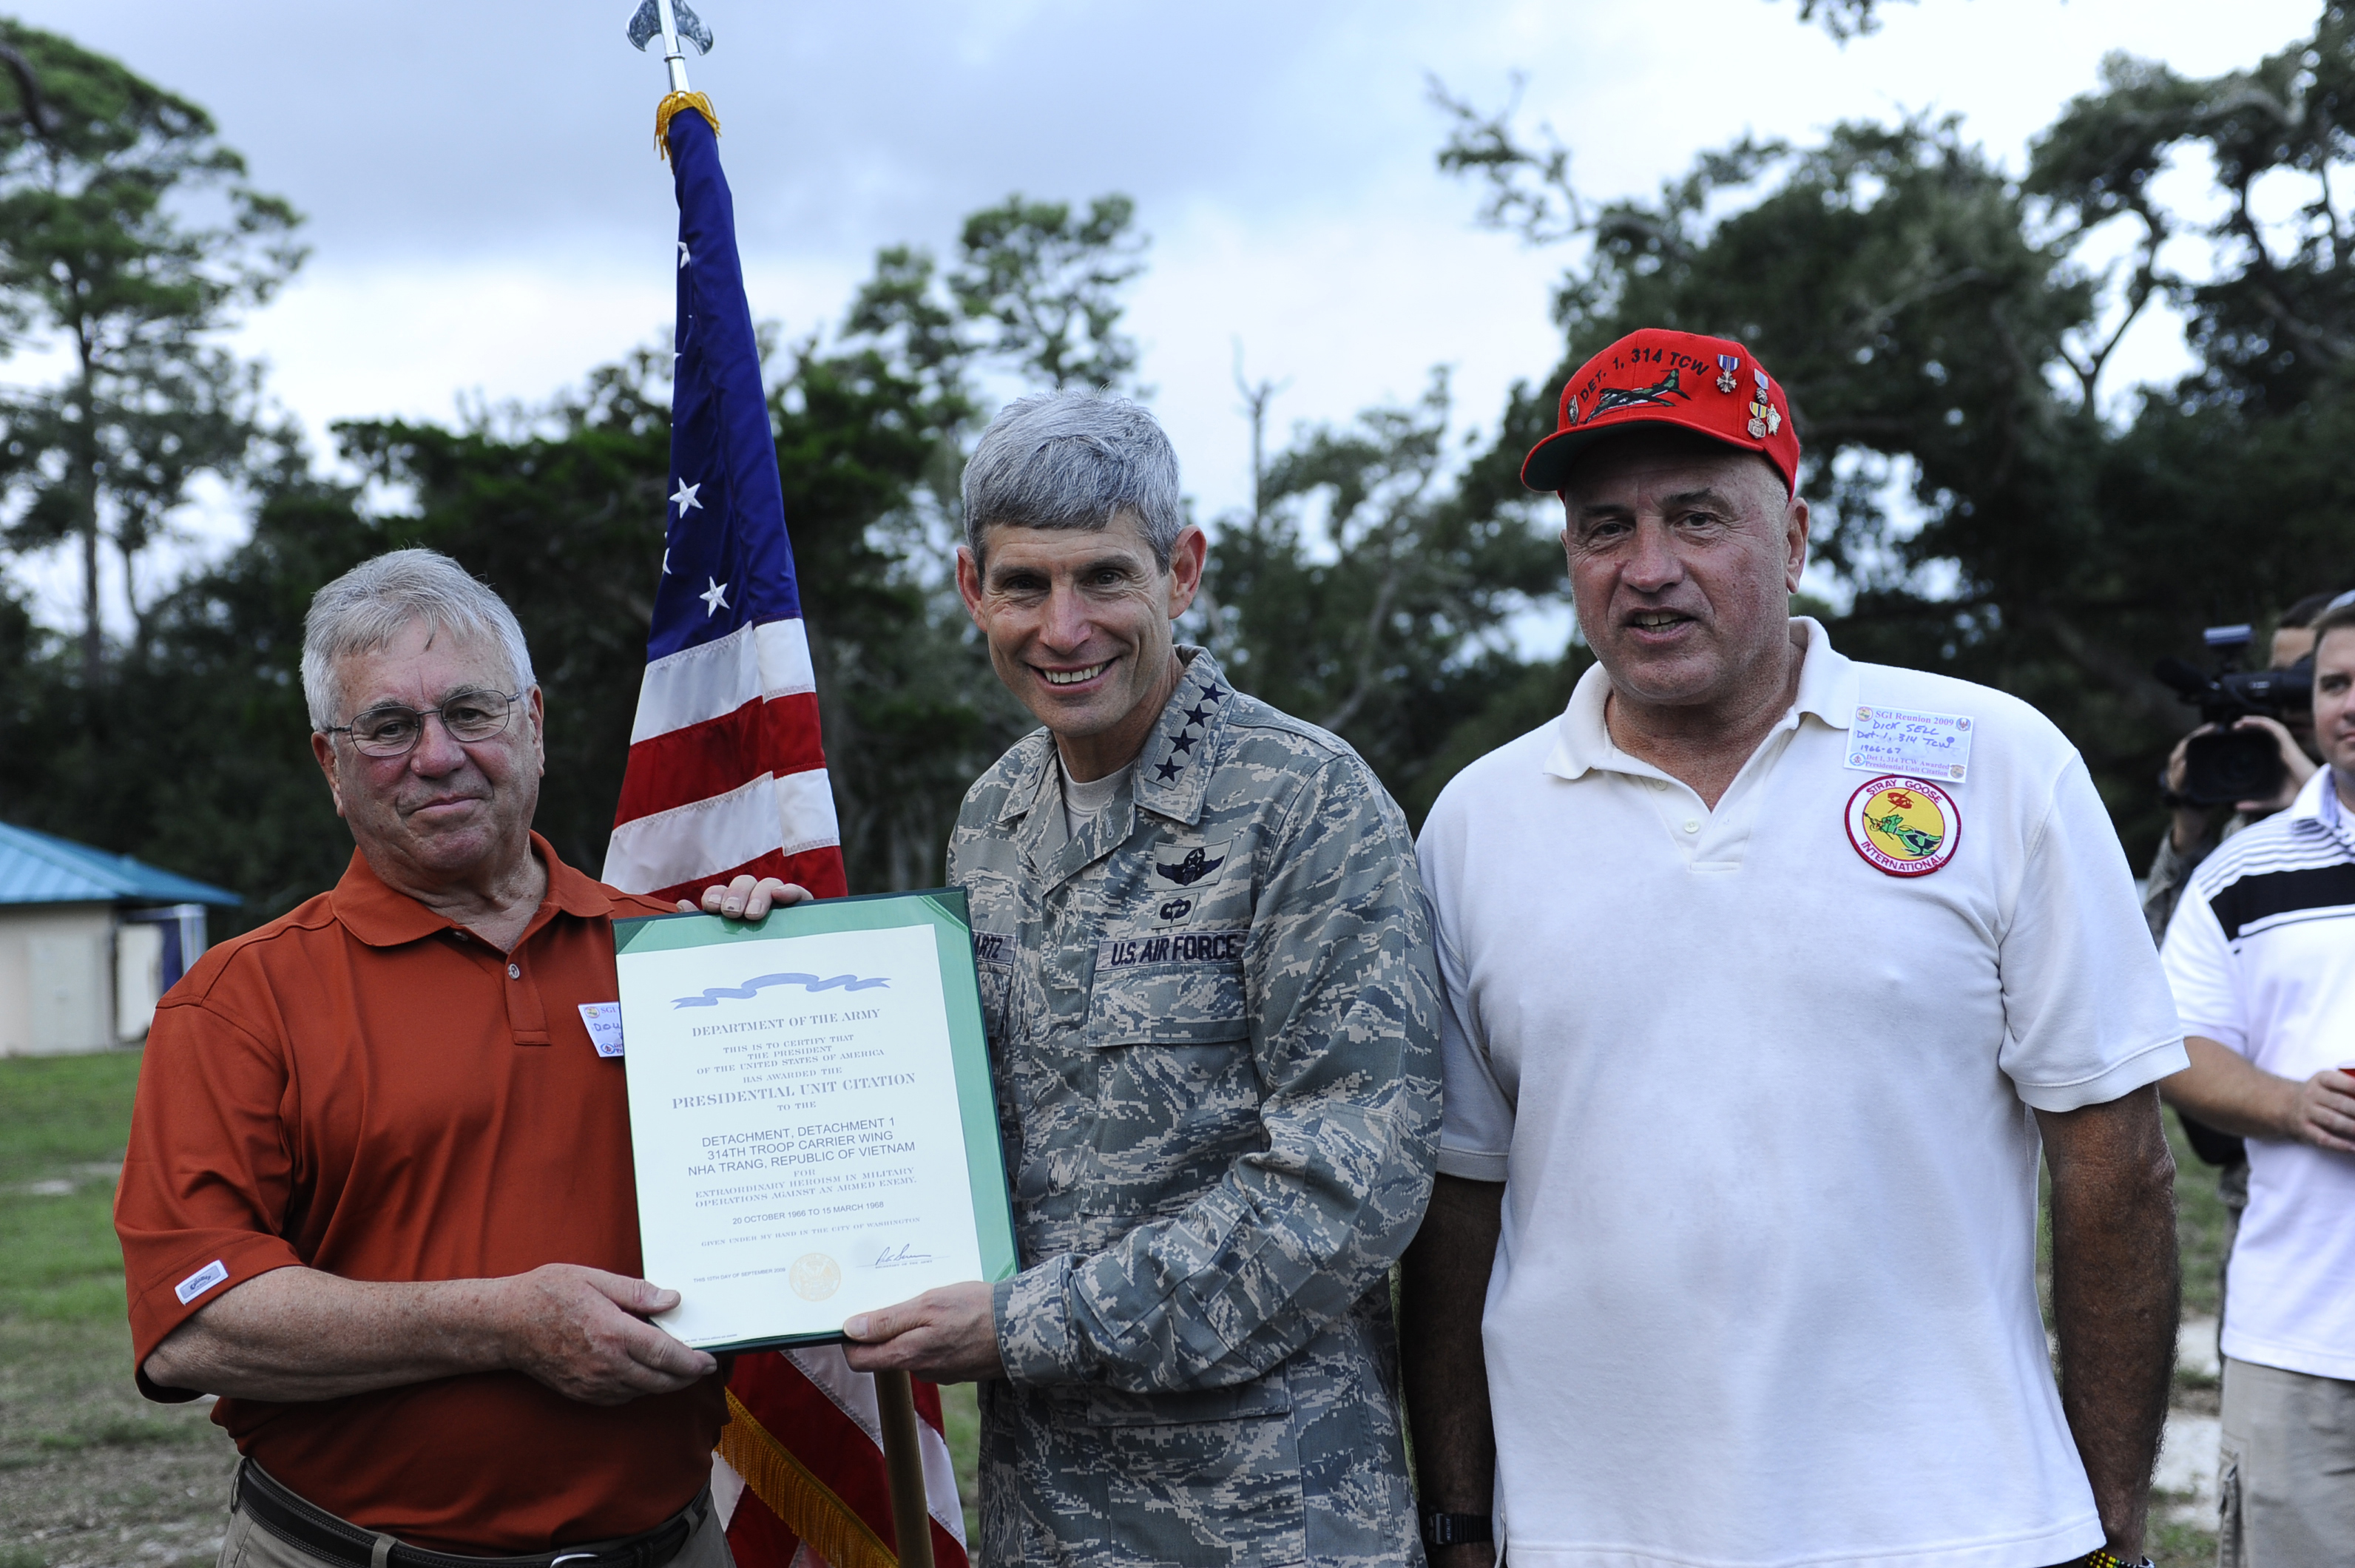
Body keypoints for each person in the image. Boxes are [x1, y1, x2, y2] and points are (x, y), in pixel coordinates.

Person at [1401, 328, 2185, 1568]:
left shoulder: (1992, 762)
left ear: (1798, 535)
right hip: (1591, 1537)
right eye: (1603, 527)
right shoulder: (1473, 824)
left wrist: (2103, 1523)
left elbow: (2116, 1172)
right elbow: (1458, 1205)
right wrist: (1455, 1521)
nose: (1646, 568)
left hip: (1954, 1527)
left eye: (1697, 517)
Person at [832, 391, 1442, 1567]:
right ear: (972, 590)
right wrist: (773, 963)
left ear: (1183, 572)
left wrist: (1025, 1323)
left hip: (1264, 1519)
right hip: (1043, 1516)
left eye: (1104, 578)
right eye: (1024, 586)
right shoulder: (995, 816)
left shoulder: (1305, 802)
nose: (1064, 629)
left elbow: (1346, 1187)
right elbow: (957, 1122)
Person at [114, 550, 795, 1568]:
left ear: (534, 725)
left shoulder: (685, 964)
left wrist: (807, 983)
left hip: (669, 1545)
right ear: (329, 765)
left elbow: (824, 1197)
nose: (436, 757)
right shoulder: (238, 1002)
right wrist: (505, 1324)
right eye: (388, 727)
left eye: (470, 713)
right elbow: (196, 1327)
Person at [2155, 589, 2355, 1567]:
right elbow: (2173, 1043)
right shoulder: (2240, 874)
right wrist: (2290, 1103)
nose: (2351, 703)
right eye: (2335, 683)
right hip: (2301, 1341)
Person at [2141, 591, 2331, 1356]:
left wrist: (2309, 806)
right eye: (2277, 678)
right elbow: (2147, 983)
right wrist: (2189, 830)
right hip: (2255, 1169)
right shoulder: (2236, 846)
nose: (2286, 700)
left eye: (2311, 679)